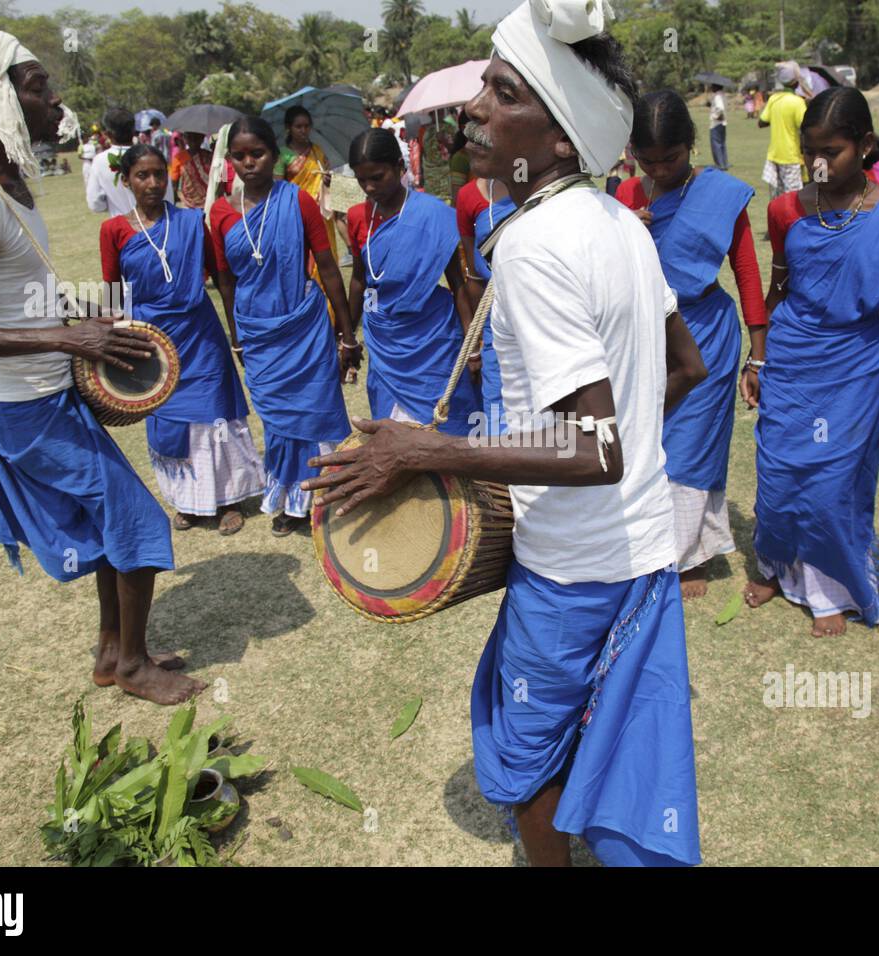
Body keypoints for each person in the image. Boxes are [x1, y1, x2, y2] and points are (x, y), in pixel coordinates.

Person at [305, 0, 706, 868]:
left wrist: (425, 451)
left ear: (560, 138)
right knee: (617, 746)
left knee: (525, 762)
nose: (476, 109)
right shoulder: (622, 225)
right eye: (484, 86)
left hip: (571, 570)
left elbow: (596, 446)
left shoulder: (535, 247)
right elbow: (685, 369)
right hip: (639, 552)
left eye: (503, 91)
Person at [0, 16, 200, 704]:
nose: (55, 100)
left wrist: (78, 319)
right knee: (135, 518)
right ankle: (133, 667)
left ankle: (114, 653)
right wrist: (63, 340)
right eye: (39, 86)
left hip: (49, 391)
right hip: (17, 405)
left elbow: (15, 296)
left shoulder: (10, 183)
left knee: (112, 522)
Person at [738, 87, 879, 637]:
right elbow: (777, 289)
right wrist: (759, 358)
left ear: (866, 145)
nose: (817, 165)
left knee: (835, 484)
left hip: (856, 367)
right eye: (807, 154)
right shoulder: (784, 210)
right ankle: (774, 566)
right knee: (777, 475)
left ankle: (829, 588)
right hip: (794, 357)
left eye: (832, 152)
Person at [615, 90, 766, 598]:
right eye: (648, 159)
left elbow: (746, 271)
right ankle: (648, 543)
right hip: (644, 341)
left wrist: (758, 352)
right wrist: (623, 235)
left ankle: (688, 555)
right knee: (648, 443)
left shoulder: (719, 193)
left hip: (707, 339)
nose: (659, 170)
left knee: (693, 447)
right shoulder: (622, 198)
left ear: (692, 146)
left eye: (671, 158)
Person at [100, 144, 263, 535]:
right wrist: (112, 339)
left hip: (200, 335)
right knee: (168, 419)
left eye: (160, 174)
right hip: (151, 341)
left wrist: (235, 330)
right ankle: (188, 501)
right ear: (126, 181)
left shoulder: (191, 222)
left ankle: (228, 499)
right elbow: (109, 288)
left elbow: (221, 275)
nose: (154, 183)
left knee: (214, 413)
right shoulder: (114, 230)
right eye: (142, 176)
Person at [209, 116, 358, 537]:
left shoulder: (298, 200)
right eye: (239, 156)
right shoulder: (220, 213)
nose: (248, 162)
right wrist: (236, 336)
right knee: (277, 422)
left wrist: (346, 333)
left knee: (317, 412)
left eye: (257, 153)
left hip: (304, 330)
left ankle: (326, 497)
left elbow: (328, 267)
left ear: (274, 155)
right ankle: (292, 503)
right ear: (230, 162)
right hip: (259, 336)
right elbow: (224, 280)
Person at [345, 129, 480, 434]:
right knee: (393, 431)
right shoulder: (357, 218)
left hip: (434, 341)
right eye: (361, 180)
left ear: (398, 167)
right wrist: (348, 335)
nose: (369, 187)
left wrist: (472, 346)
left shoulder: (433, 214)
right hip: (384, 342)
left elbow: (457, 283)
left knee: (444, 427)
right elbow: (360, 280)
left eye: (377, 177)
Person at [456, 172, 516, 434]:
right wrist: (476, 341)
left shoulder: (539, 185)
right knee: (497, 408)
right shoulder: (468, 197)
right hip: (496, 325)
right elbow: (473, 275)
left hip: (542, 317)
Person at [276, 106, 341, 324]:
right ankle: (304, 313)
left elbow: (328, 178)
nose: (304, 130)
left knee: (325, 265)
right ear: (288, 128)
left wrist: (328, 181)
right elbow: (277, 187)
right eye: (298, 126)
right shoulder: (282, 155)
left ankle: (329, 315)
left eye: (307, 126)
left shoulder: (318, 152)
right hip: (294, 216)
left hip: (320, 218)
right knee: (302, 265)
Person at [87, 107, 173, 217]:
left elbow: (95, 203)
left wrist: (114, 202)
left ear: (107, 134)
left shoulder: (100, 161)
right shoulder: (152, 157)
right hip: (158, 224)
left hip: (122, 226)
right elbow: (168, 195)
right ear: (133, 130)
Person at [759, 62, 807, 198]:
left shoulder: (774, 99)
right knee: (793, 198)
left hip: (773, 156)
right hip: (791, 156)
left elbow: (761, 122)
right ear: (796, 82)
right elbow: (805, 128)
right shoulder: (797, 102)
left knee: (777, 198)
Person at [708, 83, 728, 169]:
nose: (711, 87)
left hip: (716, 123)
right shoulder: (722, 95)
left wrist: (715, 116)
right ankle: (724, 163)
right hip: (722, 123)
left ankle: (720, 164)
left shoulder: (718, 96)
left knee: (716, 144)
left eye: (712, 86)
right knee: (722, 143)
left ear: (716, 87)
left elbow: (720, 108)